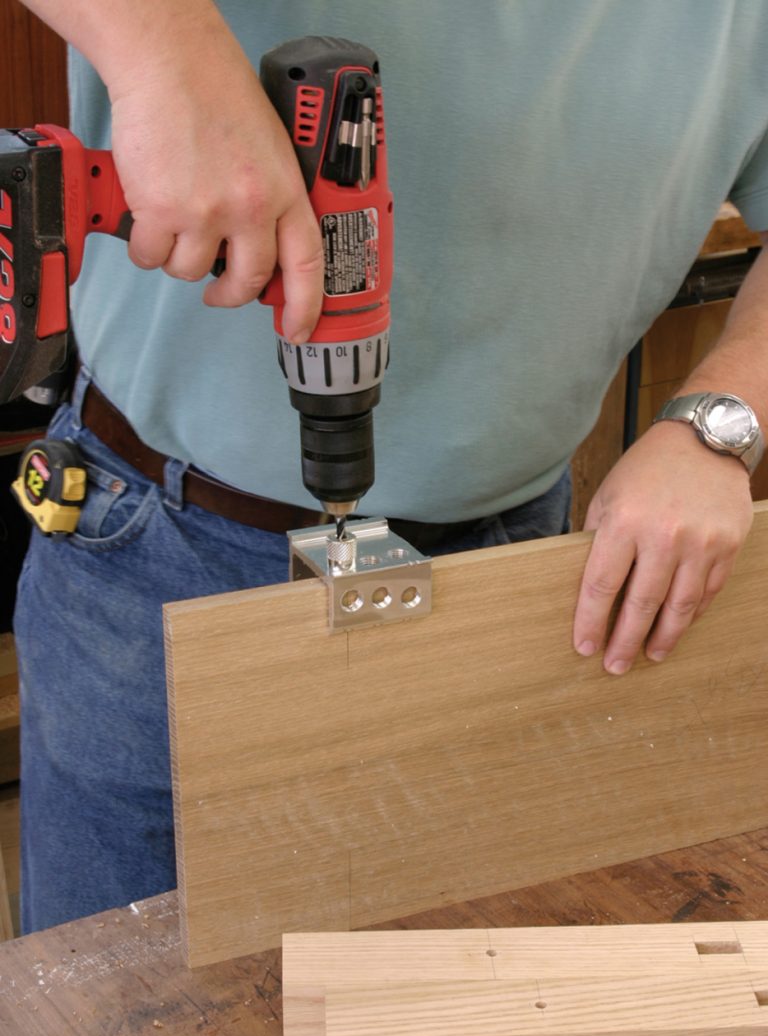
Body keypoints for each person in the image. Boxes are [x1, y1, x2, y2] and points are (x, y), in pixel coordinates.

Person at [13, 0, 768, 932]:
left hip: (527, 574)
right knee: (106, 1032)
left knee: (438, 1012)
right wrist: (168, 56)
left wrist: (719, 422)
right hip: (160, 556)